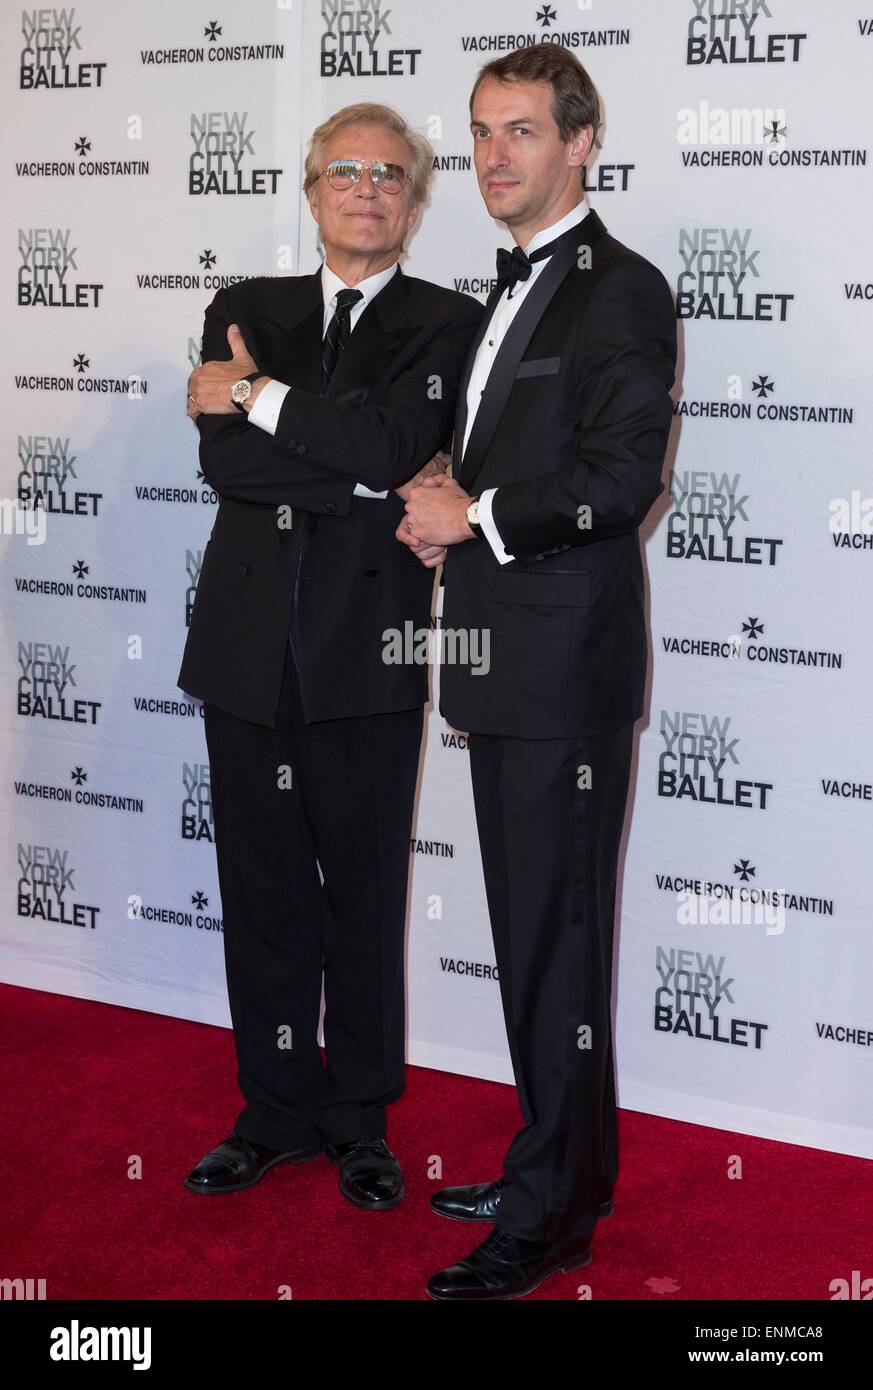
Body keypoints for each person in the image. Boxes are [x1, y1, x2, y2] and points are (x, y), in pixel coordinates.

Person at [397, 45, 677, 1299]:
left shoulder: (623, 290)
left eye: (519, 131)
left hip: (565, 670)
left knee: (558, 946)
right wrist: (438, 502)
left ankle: (554, 1214)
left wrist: (482, 516)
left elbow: (622, 482)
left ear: (581, 142)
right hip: (502, 661)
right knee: (533, 939)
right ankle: (550, 1169)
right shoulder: (501, 290)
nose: (495, 156)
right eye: (480, 132)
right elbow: (494, 464)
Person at [178, 102, 482, 1213]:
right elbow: (228, 469)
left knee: (363, 896)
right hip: (248, 652)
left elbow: (398, 445)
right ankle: (271, 1112)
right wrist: (353, 463)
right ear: (310, 192)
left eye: (389, 174)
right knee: (262, 895)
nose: (366, 188)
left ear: (413, 200)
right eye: (343, 170)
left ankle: (357, 1120)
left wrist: (264, 402)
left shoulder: (450, 323)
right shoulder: (243, 307)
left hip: (371, 649)